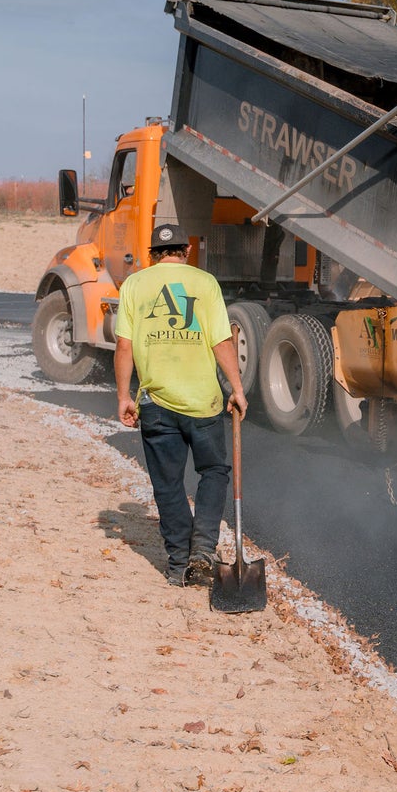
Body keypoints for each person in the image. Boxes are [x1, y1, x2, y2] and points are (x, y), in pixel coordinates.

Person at [114, 223, 248, 585]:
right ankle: (203, 548)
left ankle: (178, 566)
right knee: (215, 472)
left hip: (156, 402)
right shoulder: (205, 283)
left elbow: (124, 347)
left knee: (167, 483)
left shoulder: (134, 285)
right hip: (203, 403)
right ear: (187, 252)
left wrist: (125, 396)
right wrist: (236, 388)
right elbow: (222, 342)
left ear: (152, 255)